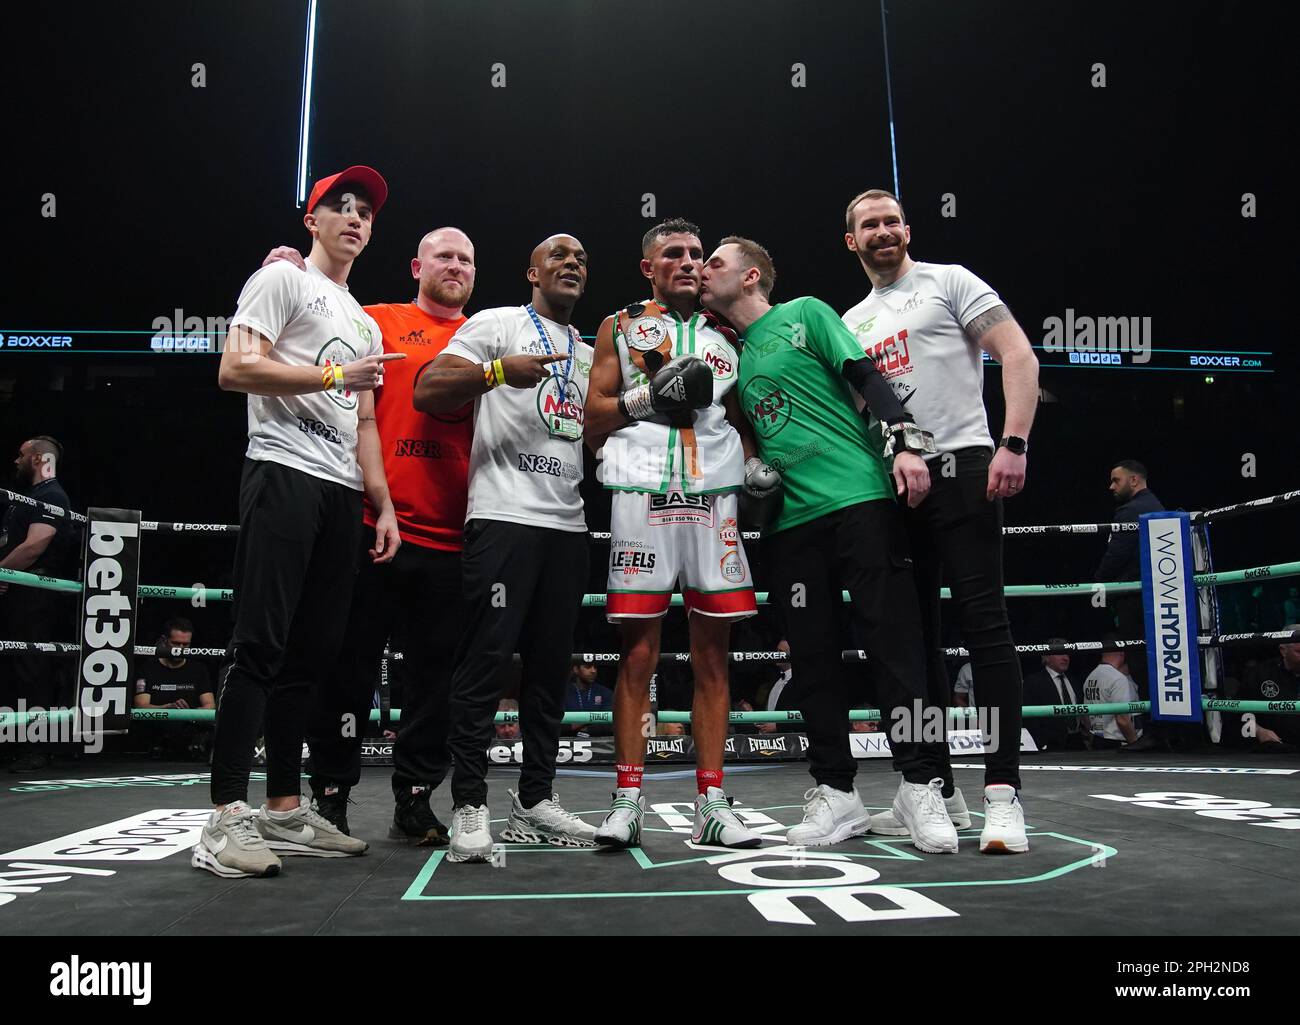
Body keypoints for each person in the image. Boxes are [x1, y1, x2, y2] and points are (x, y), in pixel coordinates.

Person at [701, 235, 958, 854]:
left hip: (860, 499)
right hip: (790, 522)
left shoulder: (807, 313)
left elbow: (866, 374)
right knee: (811, 659)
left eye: (715, 263)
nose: (702, 272)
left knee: (894, 645)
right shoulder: (729, 360)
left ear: (753, 276)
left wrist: (905, 438)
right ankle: (836, 793)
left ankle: (921, 784)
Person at [193, 167, 399, 878]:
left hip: (340, 492)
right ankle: (224, 818)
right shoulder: (281, 281)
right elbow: (235, 367)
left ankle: (284, 808)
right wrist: (334, 378)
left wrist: (384, 501)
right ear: (312, 221)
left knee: (311, 656)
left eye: (365, 212)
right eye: (339, 207)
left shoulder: (364, 318)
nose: (354, 218)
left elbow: (365, 419)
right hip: (280, 470)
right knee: (259, 646)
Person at [262, 226, 478, 844]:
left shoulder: (485, 333)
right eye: (443, 256)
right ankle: (330, 795)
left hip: (452, 534)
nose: (455, 266)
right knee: (345, 668)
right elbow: (312, 306)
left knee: (433, 681)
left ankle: (415, 800)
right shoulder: (372, 318)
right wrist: (290, 266)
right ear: (417, 265)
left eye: (465, 259)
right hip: (371, 524)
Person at [840, 188, 1037, 853]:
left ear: (908, 229)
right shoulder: (851, 320)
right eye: (871, 224)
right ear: (853, 241)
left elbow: (1018, 355)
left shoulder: (949, 281)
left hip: (965, 463)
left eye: (893, 220)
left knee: (985, 625)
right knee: (912, 643)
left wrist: (1013, 442)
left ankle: (1003, 794)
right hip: (895, 481)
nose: (884, 230)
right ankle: (937, 791)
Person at [414, 234, 598, 862]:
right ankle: (469, 803)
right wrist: (495, 372)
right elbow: (427, 388)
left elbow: (598, 430)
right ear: (532, 271)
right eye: (559, 257)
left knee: (551, 668)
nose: (572, 265)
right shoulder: (497, 324)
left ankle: (535, 801)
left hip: (568, 524)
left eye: (581, 260)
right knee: (485, 663)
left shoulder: (590, 350)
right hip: (502, 516)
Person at [582, 217, 763, 850]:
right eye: (674, 254)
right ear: (648, 267)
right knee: (638, 655)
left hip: (714, 499)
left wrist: (760, 465)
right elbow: (589, 420)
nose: (688, 262)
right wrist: (644, 399)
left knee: (715, 655)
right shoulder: (620, 325)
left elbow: (744, 418)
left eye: (696, 253)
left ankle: (713, 802)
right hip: (640, 494)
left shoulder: (731, 330)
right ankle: (627, 800)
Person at [0, 435, 78, 767]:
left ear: (36, 459)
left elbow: (35, 545)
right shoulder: (29, 497)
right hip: (18, 589)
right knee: (14, 664)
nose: (15, 461)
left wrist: (2, 572)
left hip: (35, 591)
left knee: (32, 665)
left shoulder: (51, 495)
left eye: (21, 455)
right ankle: (12, 742)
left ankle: (35, 746)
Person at [134, 617, 215, 760]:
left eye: (185, 644)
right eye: (176, 644)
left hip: (190, 730)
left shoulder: (198, 669)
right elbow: (141, 706)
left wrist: (188, 713)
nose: (181, 649)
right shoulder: (148, 668)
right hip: (157, 731)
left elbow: (210, 706)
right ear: (165, 640)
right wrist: (169, 708)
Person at [1022, 642, 1090, 751]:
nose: (1065, 658)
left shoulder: (1073, 680)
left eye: (1067, 654)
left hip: (1077, 741)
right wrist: (1040, 743)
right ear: (1047, 657)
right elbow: (1030, 718)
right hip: (1050, 745)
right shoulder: (1033, 682)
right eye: (1060, 654)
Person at [1082, 641, 1150, 749]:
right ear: (1122, 654)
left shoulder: (1091, 677)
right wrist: (1135, 744)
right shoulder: (1118, 679)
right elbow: (1122, 719)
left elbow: (1085, 715)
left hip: (1098, 739)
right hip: (1117, 742)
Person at [1242, 626, 1300, 749]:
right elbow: (1237, 713)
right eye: (1299, 652)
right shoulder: (1260, 674)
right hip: (1272, 750)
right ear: (1283, 650)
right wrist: (1258, 731)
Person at [564, 657, 614, 736]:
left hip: (599, 744)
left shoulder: (605, 692)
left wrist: (588, 730)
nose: (593, 671)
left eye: (595, 667)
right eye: (588, 667)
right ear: (576, 669)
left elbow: (610, 722)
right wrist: (586, 720)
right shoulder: (564, 693)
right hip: (565, 741)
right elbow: (555, 722)